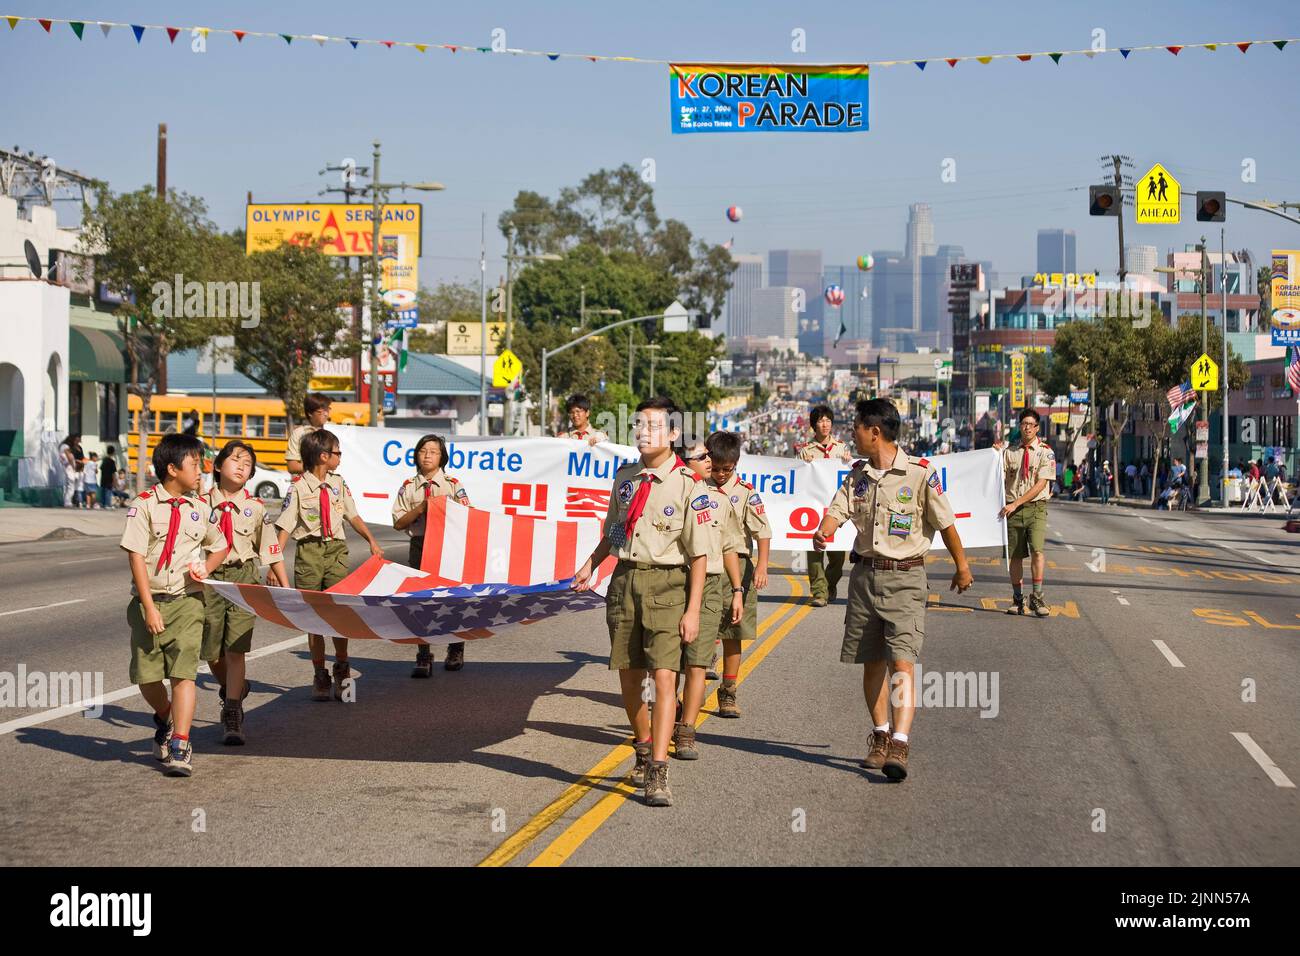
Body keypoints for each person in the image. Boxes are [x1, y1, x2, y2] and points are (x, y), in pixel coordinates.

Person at [813, 398, 973, 781]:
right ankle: (880, 735)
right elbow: (838, 509)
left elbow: (946, 522)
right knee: (871, 663)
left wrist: (962, 566)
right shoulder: (858, 477)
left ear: (875, 432)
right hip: (865, 578)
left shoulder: (919, 473)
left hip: (906, 579)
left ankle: (900, 742)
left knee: (902, 662)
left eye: (856, 427)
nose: (851, 432)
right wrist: (826, 529)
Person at [572, 396, 709, 808]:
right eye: (639, 425)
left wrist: (693, 609)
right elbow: (616, 529)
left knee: (664, 676)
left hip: (668, 584)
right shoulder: (626, 478)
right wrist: (592, 564)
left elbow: (699, 553)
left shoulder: (688, 484)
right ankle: (644, 744)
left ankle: (658, 770)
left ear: (672, 434)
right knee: (629, 675)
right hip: (624, 580)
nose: (643, 432)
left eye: (653, 426)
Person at [119, 433, 230, 776]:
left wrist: (205, 569)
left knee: (184, 674)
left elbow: (221, 545)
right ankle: (166, 716)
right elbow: (136, 557)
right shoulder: (144, 505)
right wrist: (150, 607)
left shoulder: (200, 508)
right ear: (172, 468)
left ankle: (181, 743)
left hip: (187, 602)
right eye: (195, 464)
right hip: (149, 602)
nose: (201, 470)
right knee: (146, 676)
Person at [275, 429, 385, 701]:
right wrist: (273, 562)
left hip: (335, 550)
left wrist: (371, 540)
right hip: (310, 553)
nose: (340, 457)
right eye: (337, 453)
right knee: (313, 617)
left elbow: (352, 514)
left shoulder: (338, 483)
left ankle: (342, 667)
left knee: (339, 613)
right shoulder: (298, 487)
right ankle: (319, 672)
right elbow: (285, 526)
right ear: (324, 456)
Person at [201, 440, 290, 745]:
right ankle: (234, 687)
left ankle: (233, 711)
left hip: (244, 578)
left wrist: (286, 587)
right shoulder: (199, 505)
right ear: (217, 465)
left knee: (235, 648)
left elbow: (270, 549)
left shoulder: (255, 508)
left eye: (248, 464)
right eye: (235, 459)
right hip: (209, 580)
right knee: (210, 651)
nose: (241, 466)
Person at [672, 439, 744, 761]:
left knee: (698, 662)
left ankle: (687, 729)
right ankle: (672, 708)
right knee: (668, 661)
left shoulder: (720, 500)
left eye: (708, 457)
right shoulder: (667, 492)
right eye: (703, 457)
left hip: (712, 585)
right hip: (672, 581)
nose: (709, 463)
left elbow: (729, 547)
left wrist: (738, 591)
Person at [392, 434, 472, 675]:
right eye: (423, 451)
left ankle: (456, 646)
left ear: (442, 457)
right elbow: (398, 522)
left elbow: (468, 516)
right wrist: (421, 508)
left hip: (448, 547)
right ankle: (423, 653)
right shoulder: (408, 486)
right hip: (420, 544)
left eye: (433, 451)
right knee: (420, 600)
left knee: (452, 598)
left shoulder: (453, 485)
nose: (427, 455)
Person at [706, 429, 772, 719]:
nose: (720, 474)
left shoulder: (745, 493)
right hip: (705, 566)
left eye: (727, 469)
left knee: (734, 633)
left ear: (736, 465)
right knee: (701, 629)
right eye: (716, 468)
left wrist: (762, 566)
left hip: (739, 570)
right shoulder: (698, 488)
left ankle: (728, 692)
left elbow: (763, 532)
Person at [1000, 409, 1054, 618]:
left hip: (1035, 508)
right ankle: (1017, 598)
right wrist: (994, 454)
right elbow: (997, 477)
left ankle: (1037, 597)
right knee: (1015, 556)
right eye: (1024, 423)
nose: (1027, 427)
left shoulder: (1045, 452)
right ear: (1019, 426)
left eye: (1031, 424)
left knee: (1037, 551)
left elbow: (1041, 484)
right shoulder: (1009, 452)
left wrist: (1017, 503)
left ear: (1037, 427)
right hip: (1012, 508)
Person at [797, 404, 853, 607]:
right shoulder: (805, 451)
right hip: (811, 509)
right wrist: (805, 466)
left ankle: (830, 584)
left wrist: (848, 461)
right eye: (821, 420)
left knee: (838, 558)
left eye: (828, 420)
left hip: (836, 510)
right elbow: (796, 479)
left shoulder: (841, 448)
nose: (825, 424)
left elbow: (851, 475)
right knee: (814, 555)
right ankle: (819, 592)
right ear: (814, 425)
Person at [284, 394, 332, 477]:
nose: (326, 414)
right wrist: (319, 468)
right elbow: (292, 466)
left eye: (327, 410)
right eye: (320, 411)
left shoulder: (334, 431)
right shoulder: (299, 433)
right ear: (310, 413)